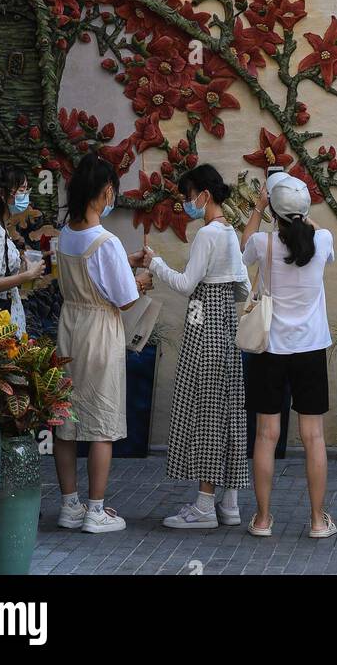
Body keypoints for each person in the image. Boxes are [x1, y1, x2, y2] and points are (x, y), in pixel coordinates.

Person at [143, 165, 251, 531]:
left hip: (203, 325)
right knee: (228, 408)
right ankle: (231, 502)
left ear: (204, 194)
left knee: (204, 409)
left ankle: (204, 506)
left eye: (189, 196)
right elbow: (244, 289)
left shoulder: (207, 233)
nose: (187, 203)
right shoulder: (230, 232)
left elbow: (187, 284)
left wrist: (156, 264)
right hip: (227, 324)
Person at [53, 152, 151, 534]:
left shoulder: (66, 234)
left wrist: (125, 262)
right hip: (99, 331)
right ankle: (97, 510)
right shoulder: (105, 240)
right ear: (107, 191)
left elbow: (87, 267)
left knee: (65, 420)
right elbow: (125, 298)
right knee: (102, 422)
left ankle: (69, 506)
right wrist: (141, 278)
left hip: (69, 326)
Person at [241, 167, 337, 539]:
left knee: (266, 435)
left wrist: (259, 206)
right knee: (313, 436)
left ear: (275, 213)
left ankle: (263, 519)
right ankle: (316, 520)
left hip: (270, 348)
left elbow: (244, 244)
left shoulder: (263, 244)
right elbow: (308, 228)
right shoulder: (323, 240)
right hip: (310, 349)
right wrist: (295, 205)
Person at [0, 162, 44, 333]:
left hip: (8, 320)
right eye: (21, 190)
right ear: (2, 194)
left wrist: (23, 270)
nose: (26, 195)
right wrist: (26, 275)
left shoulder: (0, 227)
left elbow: (0, 273)